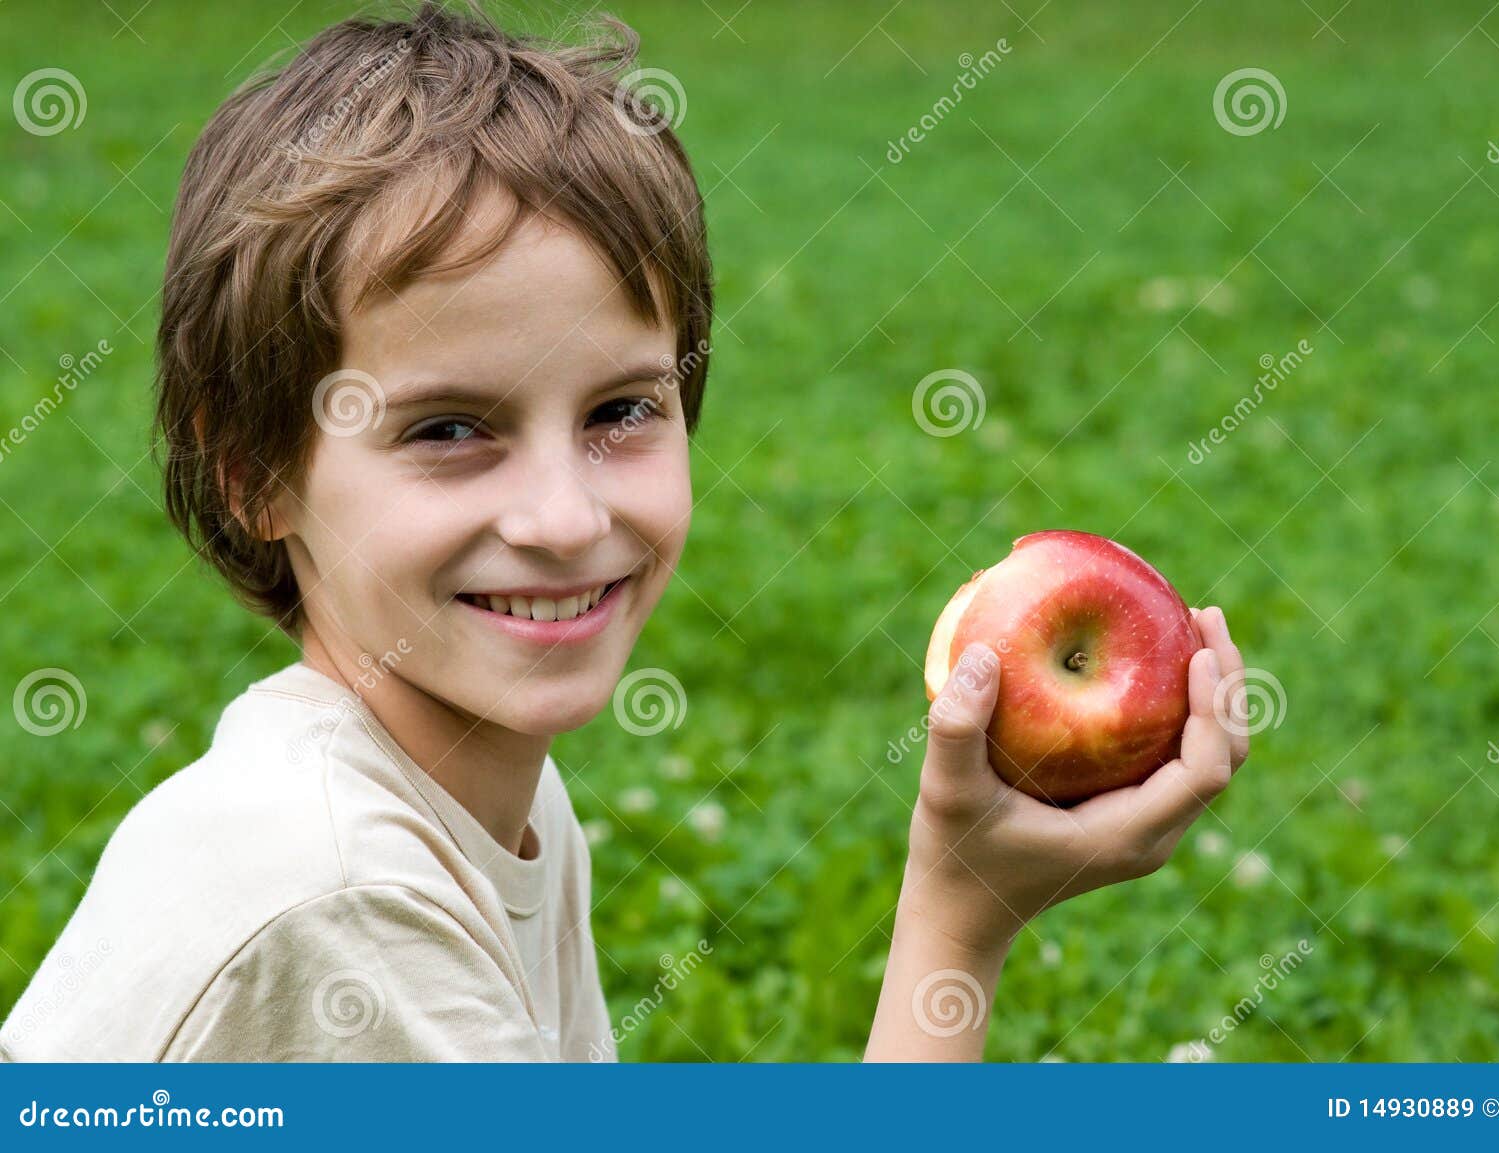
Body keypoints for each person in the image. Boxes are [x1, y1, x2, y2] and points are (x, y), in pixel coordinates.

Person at [0, 2, 1246, 1062]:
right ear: (255, 471)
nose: (564, 516)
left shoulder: (479, 801)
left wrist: (963, 887)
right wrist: (959, 922)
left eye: (620, 410)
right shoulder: (342, 899)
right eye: (447, 429)